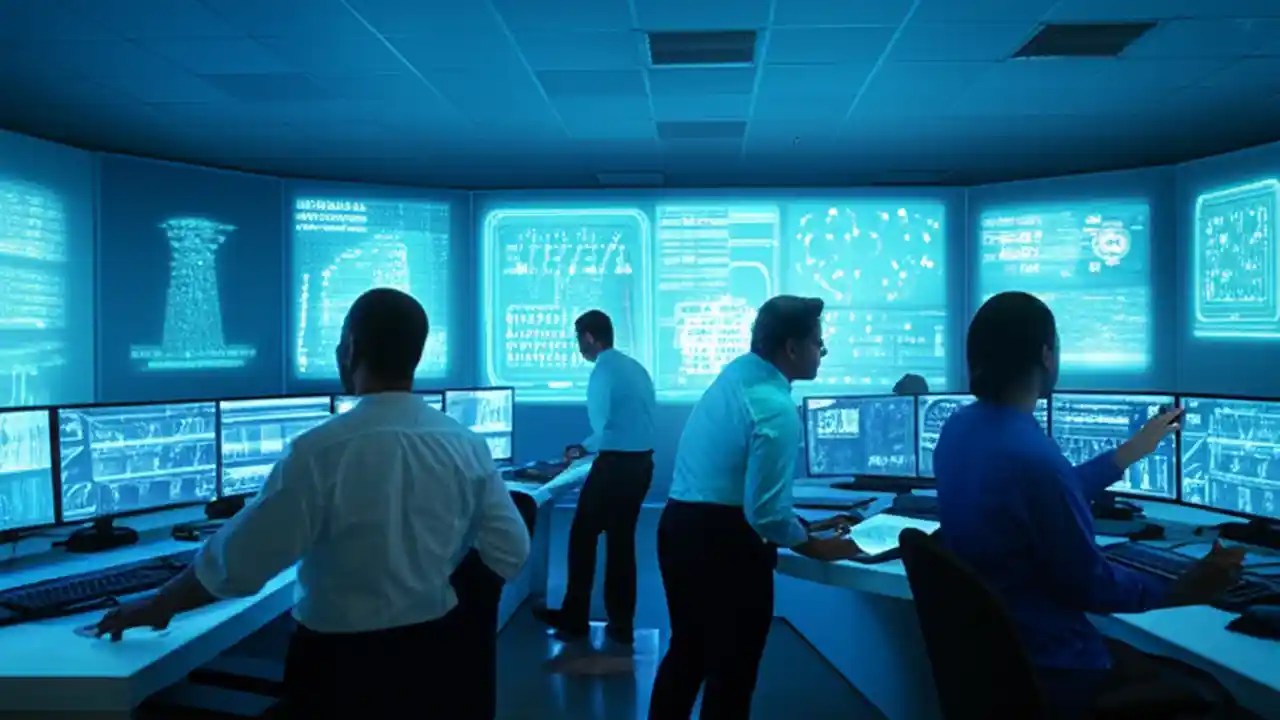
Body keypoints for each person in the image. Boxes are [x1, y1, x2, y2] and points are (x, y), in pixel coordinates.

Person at [93, 288, 531, 718]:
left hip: (339, 674)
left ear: (351, 348)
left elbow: (238, 565)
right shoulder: (466, 445)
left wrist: (161, 603)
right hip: (431, 669)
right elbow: (513, 547)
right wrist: (445, 589)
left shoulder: (319, 451)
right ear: (416, 355)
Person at [934, 291, 1243, 719]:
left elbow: (1041, 496)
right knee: (1219, 694)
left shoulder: (960, 430)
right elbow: (1090, 585)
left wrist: (1130, 452)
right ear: (1046, 354)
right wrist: (1179, 589)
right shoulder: (1034, 458)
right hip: (1057, 668)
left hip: (1001, 663)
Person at [649, 295, 862, 720]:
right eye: (818, 343)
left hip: (680, 528)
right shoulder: (775, 408)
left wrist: (805, 525)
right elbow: (763, 513)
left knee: (688, 653)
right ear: (792, 348)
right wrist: (816, 546)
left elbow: (738, 485)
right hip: (723, 549)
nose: (822, 352)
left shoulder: (738, 374)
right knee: (733, 672)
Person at [534, 309, 656, 649]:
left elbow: (605, 429)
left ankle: (574, 619)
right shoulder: (634, 368)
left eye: (578, 340)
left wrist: (581, 449)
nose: (578, 347)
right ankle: (621, 624)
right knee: (621, 543)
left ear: (589, 337)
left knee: (582, 535)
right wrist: (587, 446)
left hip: (615, 467)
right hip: (642, 465)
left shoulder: (603, 372)